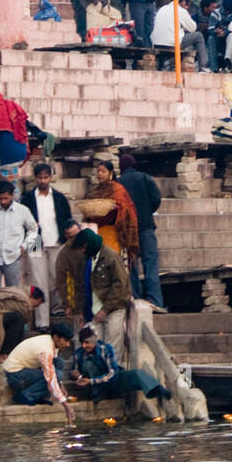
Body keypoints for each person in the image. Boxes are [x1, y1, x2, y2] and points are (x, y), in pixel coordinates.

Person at [25, 163, 73, 325]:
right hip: (34, 240)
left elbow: (67, 219)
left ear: (50, 178)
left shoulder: (59, 198)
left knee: (58, 276)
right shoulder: (27, 198)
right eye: (40, 178)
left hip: (56, 240)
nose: (43, 181)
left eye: (46, 177)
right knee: (39, 281)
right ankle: (42, 323)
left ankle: (58, 309)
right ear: (35, 178)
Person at [70, 326, 171, 402]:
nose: (84, 346)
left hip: (112, 381)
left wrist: (92, 381)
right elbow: (74, 372)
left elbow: (112, 372)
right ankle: (100, 394)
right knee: (87, 365)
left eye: (87, 342)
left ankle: (158, 389)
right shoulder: (78, 354)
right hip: (96, 390)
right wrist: (77, 376)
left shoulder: (106, 349)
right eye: (82, 343)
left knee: (136, 373)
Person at [3, 323, 76, 423]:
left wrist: (61, 385)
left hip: (26, 370)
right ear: (56, 337)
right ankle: (26, 395)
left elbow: (53, 366)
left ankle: (37, 396)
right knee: (57, 375)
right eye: (66, 341)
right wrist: (66, 406)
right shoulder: (45, 350)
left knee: (60, 362)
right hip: (16, 376)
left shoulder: (50, 341)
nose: (68, 345)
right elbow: (51, 379)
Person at [118, 154, 165, 308]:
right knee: (150, 263)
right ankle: (155, 301)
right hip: (146, 227)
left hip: (127, 230)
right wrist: (147, 211)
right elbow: (156, 199)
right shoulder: (145, 178)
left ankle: (136, 299)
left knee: (131, 264)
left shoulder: (118, 183)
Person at [0, 180, 39, 291]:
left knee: (13, 294)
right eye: (0, 198)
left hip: (13, 257)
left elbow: (33, 229)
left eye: (6, 198)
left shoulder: (23, 210)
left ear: (12, 195)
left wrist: (25, 246)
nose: (3, 201)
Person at [83, 159, 140, 268]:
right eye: (98, 171)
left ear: (110, 174)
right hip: (97, 233)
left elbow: (126, 209)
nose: (100, 174)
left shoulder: (118, 190)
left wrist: (115, 208)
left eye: (103, 171)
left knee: (113, 264)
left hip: (113, 233)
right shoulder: (94, 192)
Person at [0, 87, 29, 191]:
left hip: (9, 154)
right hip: (21, 148)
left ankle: (12, 205)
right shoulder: (10, 104)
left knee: (9, 187)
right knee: (13, 183)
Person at [153, 0, 210, 71]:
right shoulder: (180, 10)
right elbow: (193, 28)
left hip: (156, 43)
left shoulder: (162, 9)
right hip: (172, 43)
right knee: (198, 36)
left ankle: (164, 65)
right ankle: (204, 66)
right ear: (183, 1)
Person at [206, 0, 232, 72]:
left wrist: (225, 32)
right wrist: (217, 32)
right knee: (211, 38)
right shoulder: (216, 13)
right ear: (229, 2)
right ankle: (213, 68)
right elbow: (210, 29)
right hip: (220, 41)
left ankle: (231, 66)